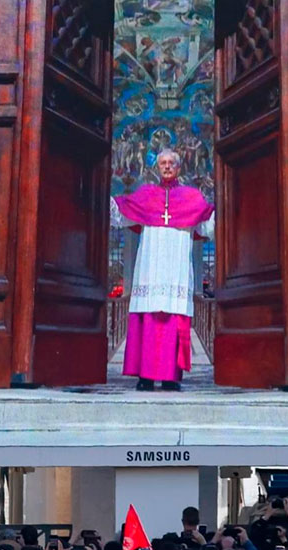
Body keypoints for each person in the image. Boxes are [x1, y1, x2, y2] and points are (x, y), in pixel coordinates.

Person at [110, 149, 215, 392]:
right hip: (149, 267)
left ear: (179, 168)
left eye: (171, 164)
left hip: (176, 269)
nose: (167, 167)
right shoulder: (145, 194)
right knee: (147, 319)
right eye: (163, 163)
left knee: (172, 322)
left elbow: (207, 223)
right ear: (157, 167)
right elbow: (121, 212)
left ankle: (170, 377)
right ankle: (144, 377)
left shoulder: (192, 197)